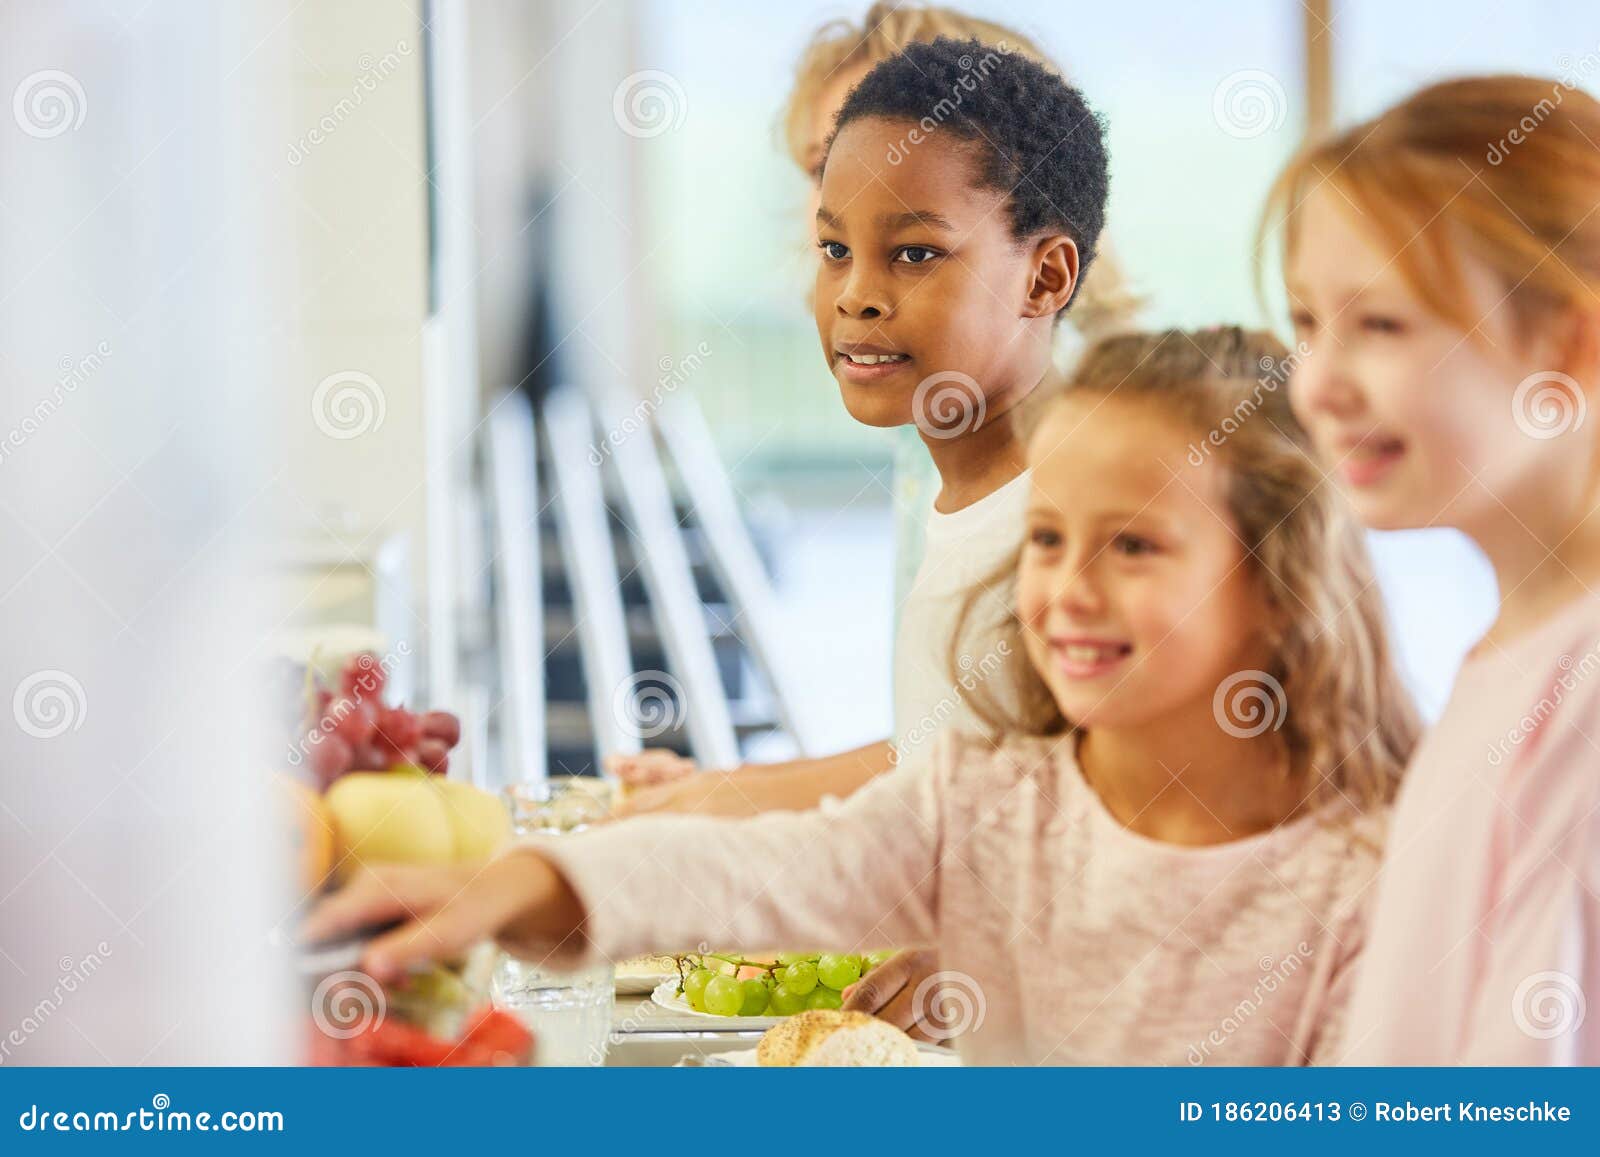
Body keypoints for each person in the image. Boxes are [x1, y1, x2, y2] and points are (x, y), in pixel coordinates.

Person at [306, 326, 1420, 1064]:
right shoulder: (985, 806)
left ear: (1279, 587)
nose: (1067, 590)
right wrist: (518, 882)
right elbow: (758, 873)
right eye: (1044, 537)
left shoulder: (1370, 874)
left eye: (1132, 545)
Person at [611, 6, 1139, 816]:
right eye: (834, 235)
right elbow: (949, 749)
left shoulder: (1075, 494)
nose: (855, 290)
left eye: (914, 247)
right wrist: (716, 800)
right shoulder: (942, 459)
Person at [1264, 75, 1600, 1064]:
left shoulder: (1578, 701)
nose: (1316, 385)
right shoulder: (1520, 650)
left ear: (1571, 342)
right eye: (1305, 323)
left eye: (1380, 324)